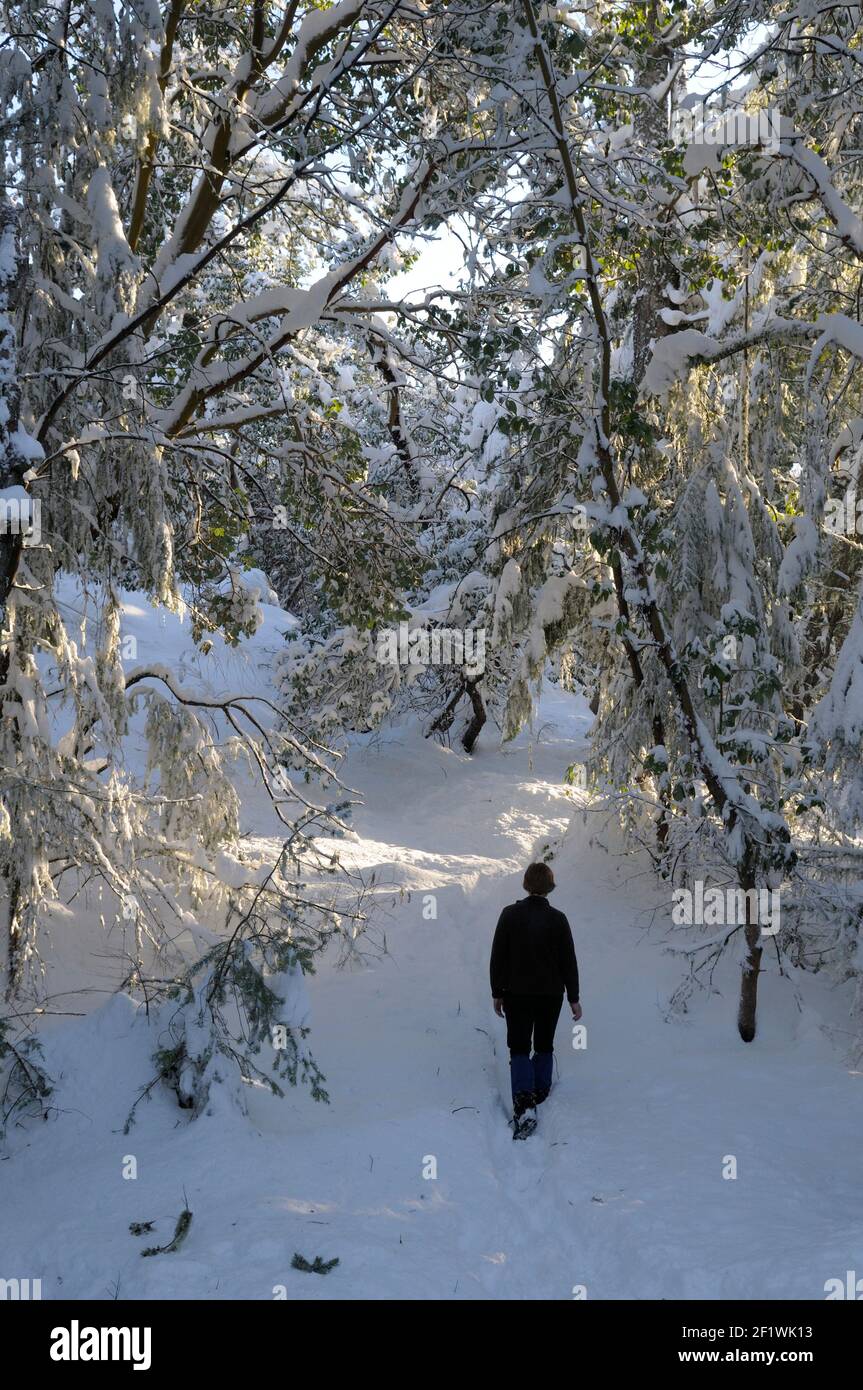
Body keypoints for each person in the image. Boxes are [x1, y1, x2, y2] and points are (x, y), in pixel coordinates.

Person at [489, 861, 582, 1133]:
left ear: (526, 885)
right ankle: (542, 1093)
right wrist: (573, 998)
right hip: (550, 995)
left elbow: (498, 958)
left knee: (518, 1047)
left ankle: (524, 1103)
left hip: (516, 994)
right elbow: (569, 962)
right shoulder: (559, 919)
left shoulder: (509, 915)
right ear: (550, 887)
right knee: (544, 1044)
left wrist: (497, 992)